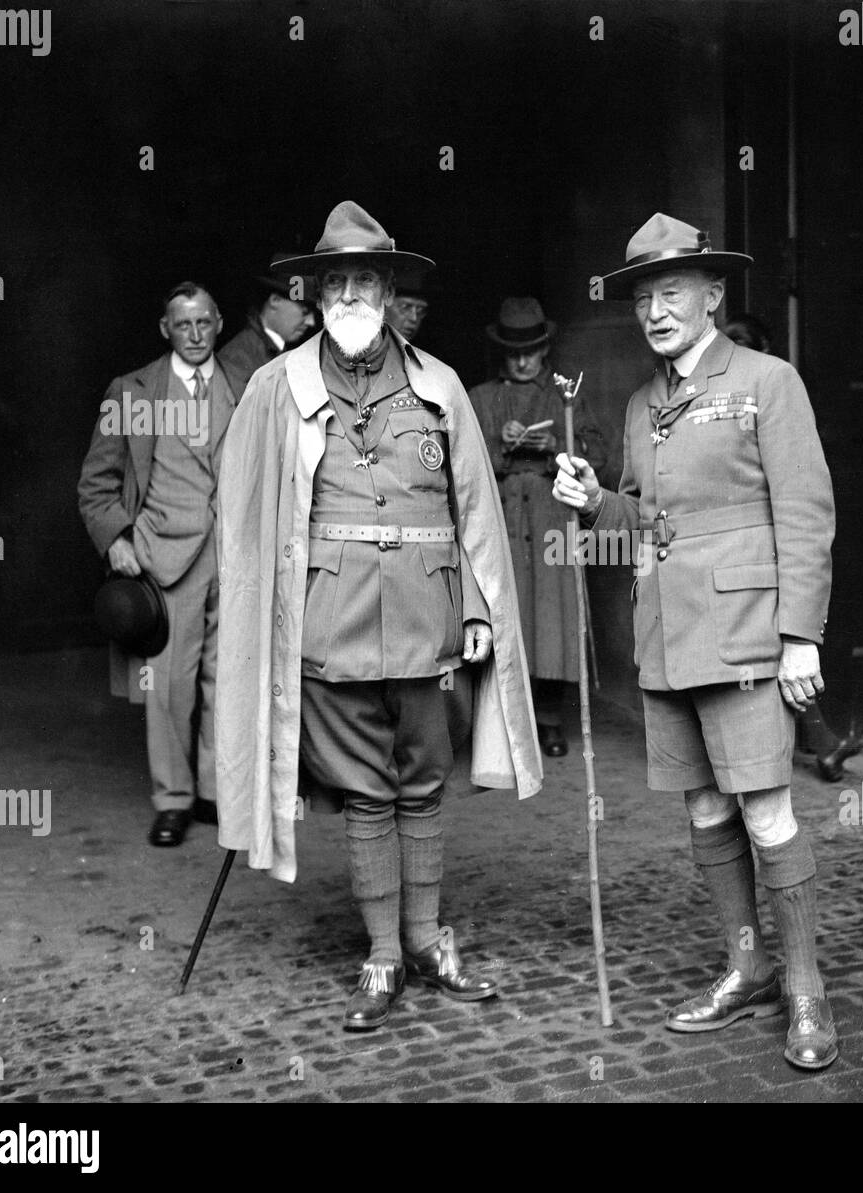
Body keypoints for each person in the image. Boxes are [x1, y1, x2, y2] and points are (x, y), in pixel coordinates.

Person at [215, 201, 542, 1032]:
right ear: (317, 292)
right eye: (336, 281)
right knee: (366, 793)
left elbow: (475, 511)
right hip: (331, 624)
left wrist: (474, 606)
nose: (351, 294)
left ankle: (430, 940)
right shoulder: (273, 388)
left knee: (424, 785)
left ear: (391, 290)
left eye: (366, 278)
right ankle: (384, 954)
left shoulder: (439, 387)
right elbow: (245, 519)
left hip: (429, 619)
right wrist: (269, 627)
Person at [554, 213, 839, 1071]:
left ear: (713, 294)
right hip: (670, 638)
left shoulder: (768, 380)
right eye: (642, 296)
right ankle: (746, 963)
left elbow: (806, 513)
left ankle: (806, 990)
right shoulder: (643, 404)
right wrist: (594, 499)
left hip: (749, 636)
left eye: (672, 290)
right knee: (707, 807)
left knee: (765, 808)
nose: (655, 309)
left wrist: (801, 638)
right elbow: (647, 519)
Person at [77, 282, 242, 846]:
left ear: (219, 323)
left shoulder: (246, 387)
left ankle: (216, 793)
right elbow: (93, 486)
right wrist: (116, 540)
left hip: (236, 557)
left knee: (229, 683)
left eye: (203, 323)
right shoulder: (133, 391)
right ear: (165, 329)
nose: (194, 335)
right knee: (170, 687)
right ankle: (173, 799)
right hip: (165, 561)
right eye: (182, 325)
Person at [723, 311, 863, 781]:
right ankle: (817, 744)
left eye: (746, 343)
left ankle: (816, 743)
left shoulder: (778, 390)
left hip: (783, 549)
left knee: (792, 652)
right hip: (743, 562)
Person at [469, 298, 607, 756]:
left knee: (552, 624)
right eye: (513, 353)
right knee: (508, 621)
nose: (523, 361)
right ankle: (505, 725)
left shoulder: (565, 395)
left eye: (531, 351)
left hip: (551, 522)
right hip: (503, 522)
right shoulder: (482, 398)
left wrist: (557, 447)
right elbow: (460, 464)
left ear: (545, 350)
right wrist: (498, 446)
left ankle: (549, 722)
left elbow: (601, 456)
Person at [218, 265, 317, 394]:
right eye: (305, 311)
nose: (311, 322)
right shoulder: (237, 358)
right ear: (275, 300)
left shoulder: (281, 350)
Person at [385, 277, 431, 343]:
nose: (414, 318)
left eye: (420, 311)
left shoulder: (416, 353)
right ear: (383, 309)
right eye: (405, 307)